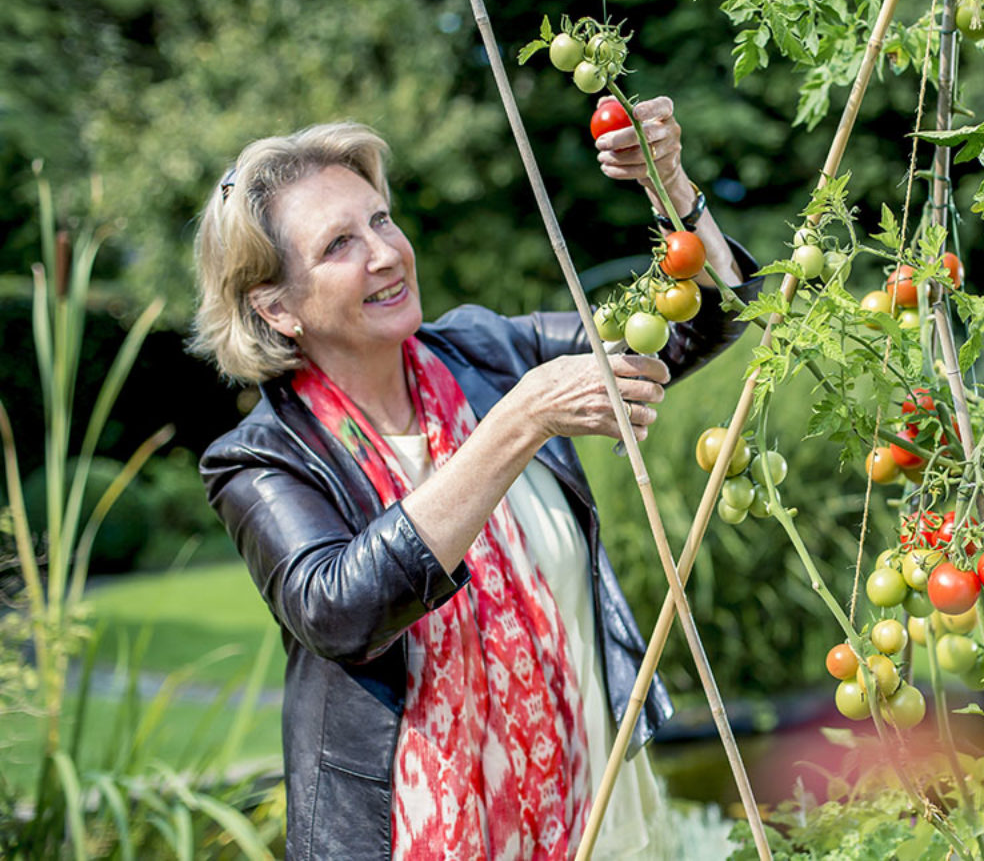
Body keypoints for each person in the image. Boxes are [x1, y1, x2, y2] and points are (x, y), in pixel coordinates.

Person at [191, 99, 759, 860]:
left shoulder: (482, 353)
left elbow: (702, 322)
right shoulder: (262, 459)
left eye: (382, 220)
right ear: (278, 308)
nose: (386, 253)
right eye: (338, 245)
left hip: (595, 814)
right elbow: (341, 611)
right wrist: (518, 422)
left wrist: (672, 189)